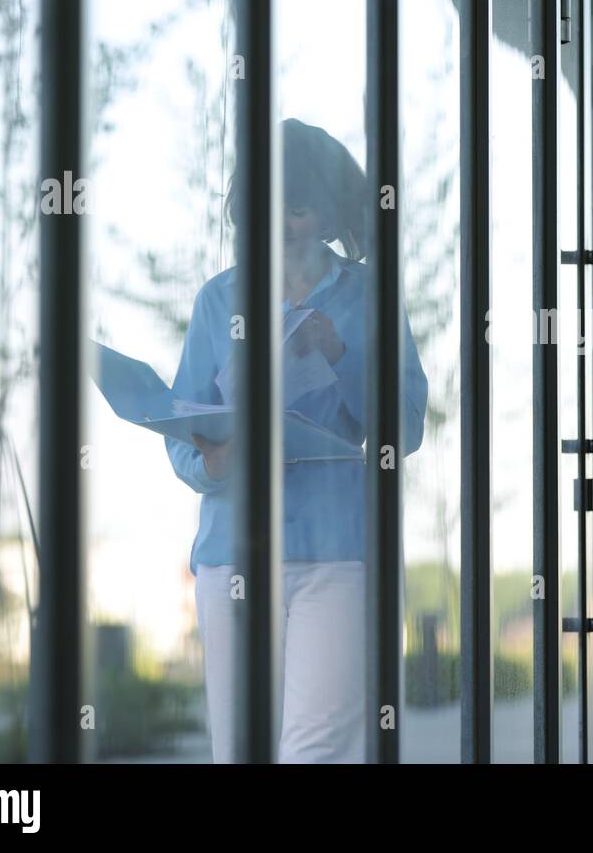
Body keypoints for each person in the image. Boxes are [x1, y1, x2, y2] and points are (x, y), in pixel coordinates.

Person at [166, 118, 428, 763]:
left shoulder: (370, 296)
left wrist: (341, 355)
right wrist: (214, 460)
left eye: (299, 209)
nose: (282, 224)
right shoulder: (217, 299)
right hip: (232, 554)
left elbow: (408, 425)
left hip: (336, 553)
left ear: (331, 213)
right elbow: (181, 434)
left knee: (319, 752)